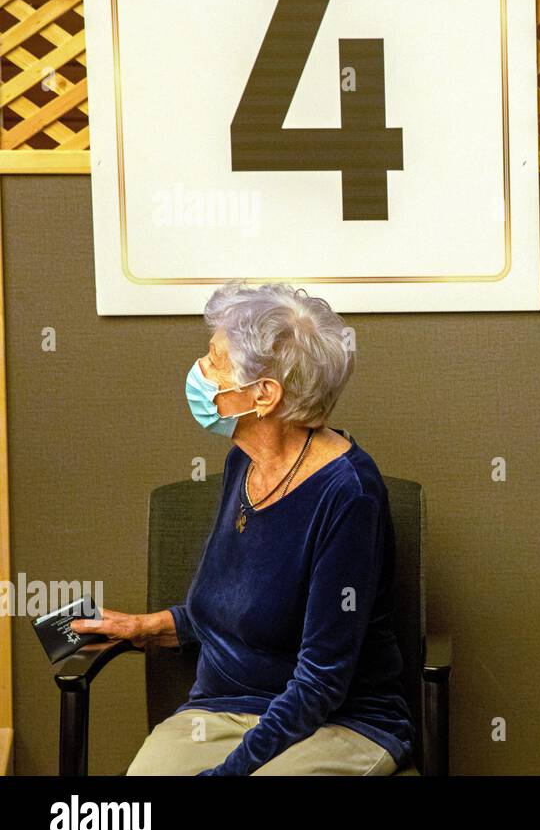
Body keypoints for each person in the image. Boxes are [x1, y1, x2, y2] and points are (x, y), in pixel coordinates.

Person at [72, 280, 414, 775]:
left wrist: (227, 774)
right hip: (223, 709)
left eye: (214, 361)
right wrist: (142, 627)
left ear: (264, 395)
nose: (199, 373)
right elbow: (227, 612)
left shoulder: (348, 495)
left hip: (338, 723)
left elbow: (320, 683)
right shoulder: (244, 462)